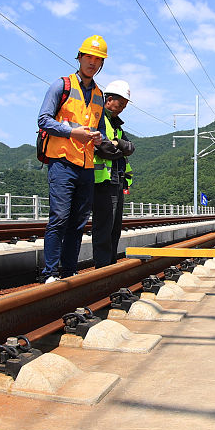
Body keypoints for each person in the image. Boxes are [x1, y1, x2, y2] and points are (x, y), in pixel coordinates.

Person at [36, 35, 108, 282]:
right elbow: (43, 119)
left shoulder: (99, 95)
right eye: (89, 57)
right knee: (59, 217)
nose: (92, 62)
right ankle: (50, 273)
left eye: (98, 59)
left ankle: (69, 271)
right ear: (79, 58)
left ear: (101, 64)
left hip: (86, 166)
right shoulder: (62, 86)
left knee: (78, 222)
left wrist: (99, 139)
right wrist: (71, 132)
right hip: (62, 162)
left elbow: (102, 131)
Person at [91, 79, 135, 268]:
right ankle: (102, 267)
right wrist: (118, 148)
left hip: (116, 180)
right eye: (121, 104)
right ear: (109, 100)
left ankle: (110, 264)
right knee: (104, 226)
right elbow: (105, 149)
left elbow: (130, 147)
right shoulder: (97, 118)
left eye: (125, 105)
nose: (122, 108)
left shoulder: (116, 124)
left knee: (115, 227)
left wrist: (118, 144)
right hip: (103, 181)